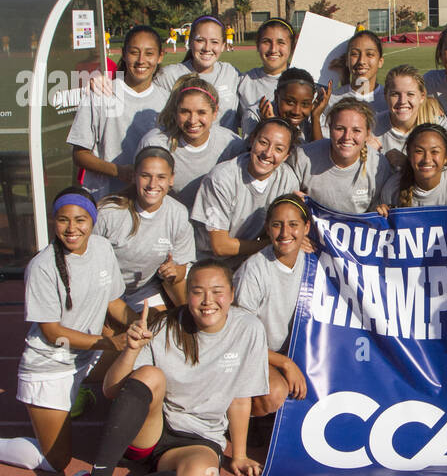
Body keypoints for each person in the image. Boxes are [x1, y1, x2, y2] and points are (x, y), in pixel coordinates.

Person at [37, 259, 270, 476]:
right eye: (198, 291)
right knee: (150, 374)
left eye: (217, 291)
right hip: (151, 430)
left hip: (197, 440)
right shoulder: (163, 326)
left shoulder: (249, 329)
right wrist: (131, 350)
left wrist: (239, 455)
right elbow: (111, 390)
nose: (208, 300)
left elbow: (240, 398)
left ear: (231, 295)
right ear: (187, 295)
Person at [0, 187, 127, 473]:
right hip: (50, 368)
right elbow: (53, 333)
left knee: (143, 357)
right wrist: (110, 343)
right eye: (63, 220)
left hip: (87, 358)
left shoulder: (102, 248)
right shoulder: (41, 266)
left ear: (93, 221)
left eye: (80, 219)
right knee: (56, 462)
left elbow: (114, 303)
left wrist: (143, 327)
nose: (72, 228)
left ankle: (88, 402)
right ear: (54, 222)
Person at [233, 194, 311, 416]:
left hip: (296, 352)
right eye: (277, 225)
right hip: (256, 354)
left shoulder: (312, 261)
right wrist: (285, 363)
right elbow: (240, 337)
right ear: (267, 229)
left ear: (306, 227)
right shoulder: (254, 270)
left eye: (293, 225)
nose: (285, 233)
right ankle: (241, 419)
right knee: (275, 392)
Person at [68, 26, 165, 201]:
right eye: (134, 52)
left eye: (149, 53)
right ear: (124, 54)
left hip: (149, 203)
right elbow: (80, 155)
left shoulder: (166, 100)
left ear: (160, 57)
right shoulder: (100, 92)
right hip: (104, 200)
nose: (141, 60)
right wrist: (118, 171)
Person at [95, 147, 194, 311]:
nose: (152, 184)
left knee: (155, 329)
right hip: (103, 289)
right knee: (117, 334)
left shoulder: (178, 213)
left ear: (171, 179)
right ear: (134, 176)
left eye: (161, 177)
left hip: (143, 289)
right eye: (145, 176)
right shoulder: (108, 213)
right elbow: (89, 265)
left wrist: (174, 271)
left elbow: (181, 268)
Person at [191, 118, 298, 262]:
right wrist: (275, 244)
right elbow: (220, 246)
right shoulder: (221, 178)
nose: (268, 153)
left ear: (286, 155)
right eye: (263, 142)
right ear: (252, 139)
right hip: (209, 261)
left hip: (251, 260)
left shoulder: (288, 180)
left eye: (278, 149)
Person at [137, 76, 247, 213]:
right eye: (185, 112)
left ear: (215, 112)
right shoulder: (155, 143)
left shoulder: (232, 144)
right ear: (175, 111)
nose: (193, 120)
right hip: (170, 225)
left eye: (201, 112)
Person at [291, 99, 392, 213]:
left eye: (356, 130)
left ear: (367, 133)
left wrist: (382, 209)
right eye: (340, 129)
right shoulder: (302, 157)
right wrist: (292, 201)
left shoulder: (378, 165)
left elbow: (379, 212)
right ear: (329, 128)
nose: (347, 137)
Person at [155, 16, 242, 132]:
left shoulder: (231, 73)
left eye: (214, 42)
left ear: (223, 46)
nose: (207, 48)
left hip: (227, 150)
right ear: (190, 42)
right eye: (200, 40)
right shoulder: (169, 75)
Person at [374, 65, 447, 171]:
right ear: (385, 96)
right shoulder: (371, 126)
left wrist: (408, 163)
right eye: (395, 94)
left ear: (422, 97)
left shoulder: (436, 123)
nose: (402, 101)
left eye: (410, 94)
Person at [375, 124, 447, 211]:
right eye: (419, 151)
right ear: (409, 155)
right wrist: (382, 214)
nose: (427, 159)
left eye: (434, 152)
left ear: (446, 158)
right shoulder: (392, 188)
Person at [237, 19, 305, 137]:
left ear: (292, 47)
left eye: (281, 42)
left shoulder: (304, 82)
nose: (273, 49)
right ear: (257, 45)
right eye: (266, 42)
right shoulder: (244, 81)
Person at [325, 30, 388, 127]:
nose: (361, 61)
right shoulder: (332, 100)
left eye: (369, 54)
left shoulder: (389, 100)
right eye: (354, 54)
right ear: (347, 60)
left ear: (380, 61)